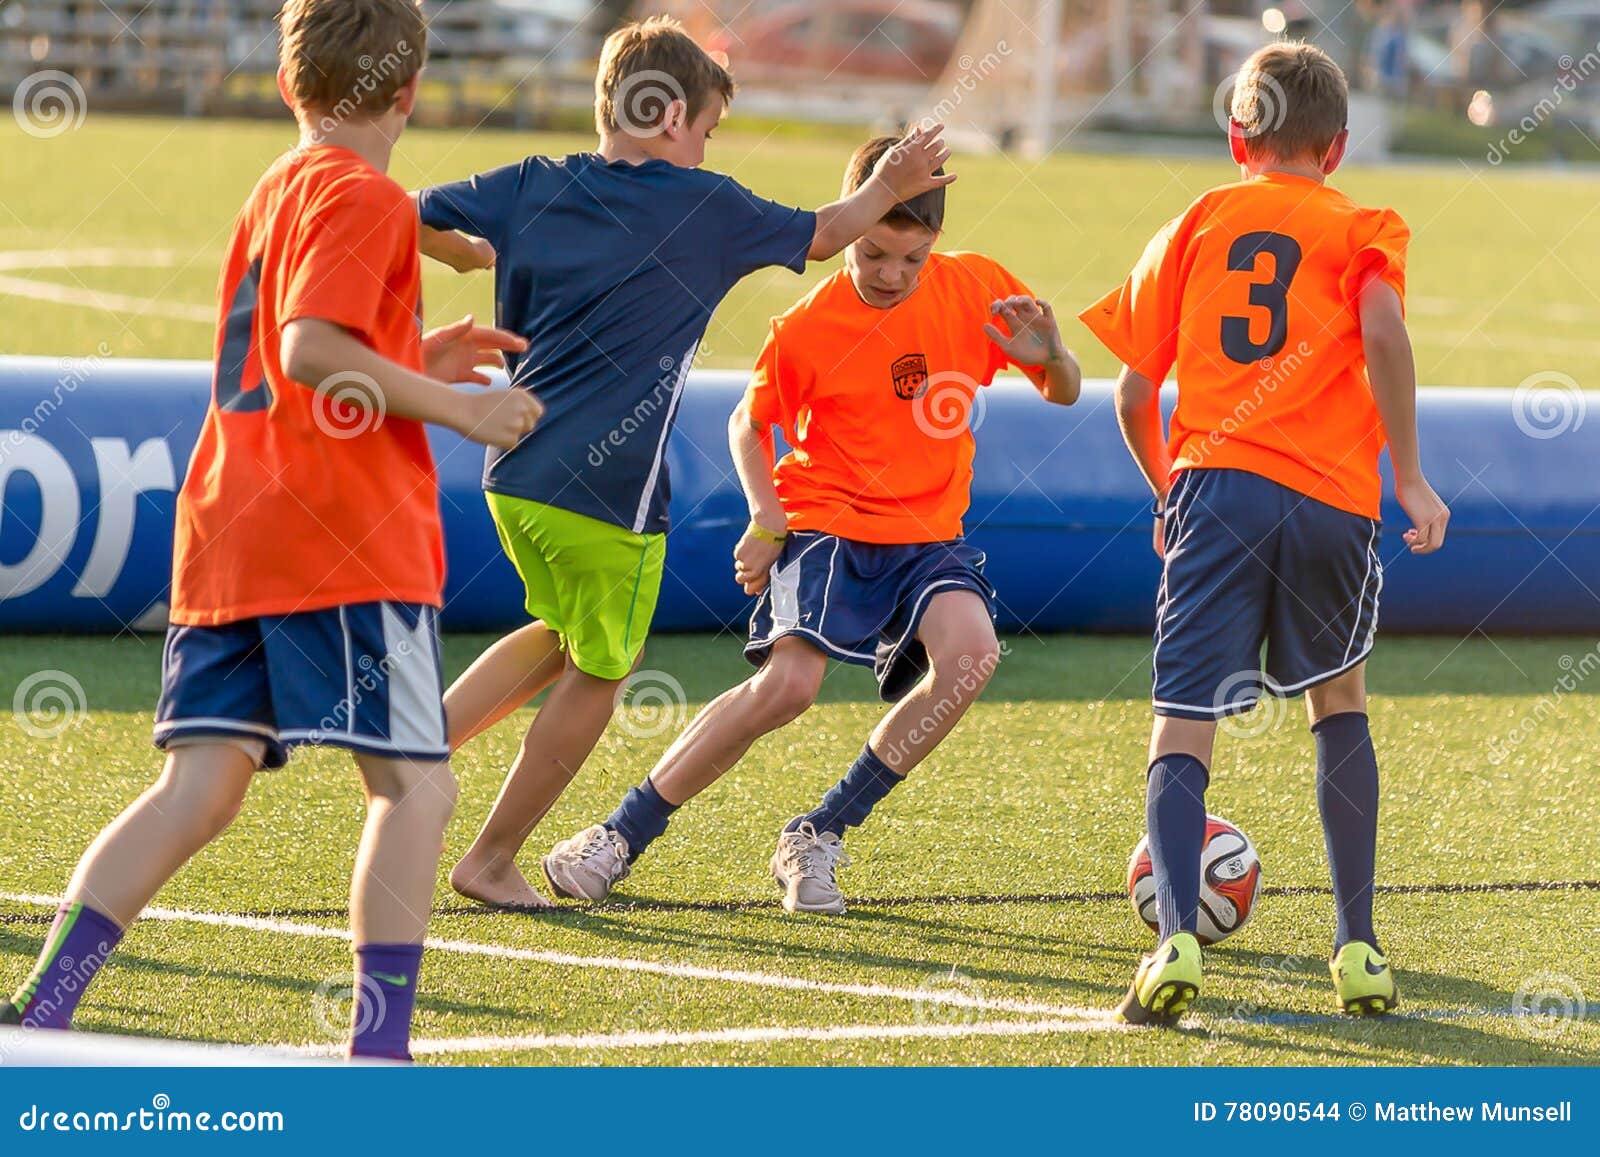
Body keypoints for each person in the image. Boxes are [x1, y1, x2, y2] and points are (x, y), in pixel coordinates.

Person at [0, 0, 542, 1061]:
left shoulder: (279, 184)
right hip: (340, 531)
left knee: (198, 787)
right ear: (410, 91)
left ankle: (45, 1005)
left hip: (231, 525)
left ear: (289, 85)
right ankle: (377, 1051)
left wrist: (411, 353)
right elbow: (305, 348)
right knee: (416, 784)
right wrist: (461, 407)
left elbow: (300, 355)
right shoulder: (368, 193)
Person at [412, 17, 956, 910]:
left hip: (513, 477)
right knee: (604, 669)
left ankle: (421, 744)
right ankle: (491, 856)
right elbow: (826, 235)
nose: (708, 146)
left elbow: (415, 216)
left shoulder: (533, 184)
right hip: (611, 493)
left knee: (561, 633)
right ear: (670, 118)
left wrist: (474, 252)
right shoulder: (703, 206)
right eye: (707, 128)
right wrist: (890, 183)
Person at [541, 133, 1081, 914]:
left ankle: (819, 831)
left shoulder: (979, 288)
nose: (892, 276)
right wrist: (766, 516)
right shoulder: (806, 326)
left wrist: (1053, 353)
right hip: (828, 521)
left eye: (911, 259)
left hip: (929, 536)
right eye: (873, 256)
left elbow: (1061, 390)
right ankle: (617, 835)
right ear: (853, 231)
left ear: (935, 244)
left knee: (972, 655)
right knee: (789, 686)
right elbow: (745, 423)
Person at [1078, 41, 1449, 1026]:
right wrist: (1406, 474)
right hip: (1329, 494)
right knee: (1339, 704)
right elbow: (1381, 334)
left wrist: (1168, 486)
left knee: (1181, 714)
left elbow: (1127, 389)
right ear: (1334, 147)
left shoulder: (1196, 218)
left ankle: (1172, 945)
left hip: (1214, 486)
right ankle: (1359, 947)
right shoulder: (1364, 222)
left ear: (1236, 134)